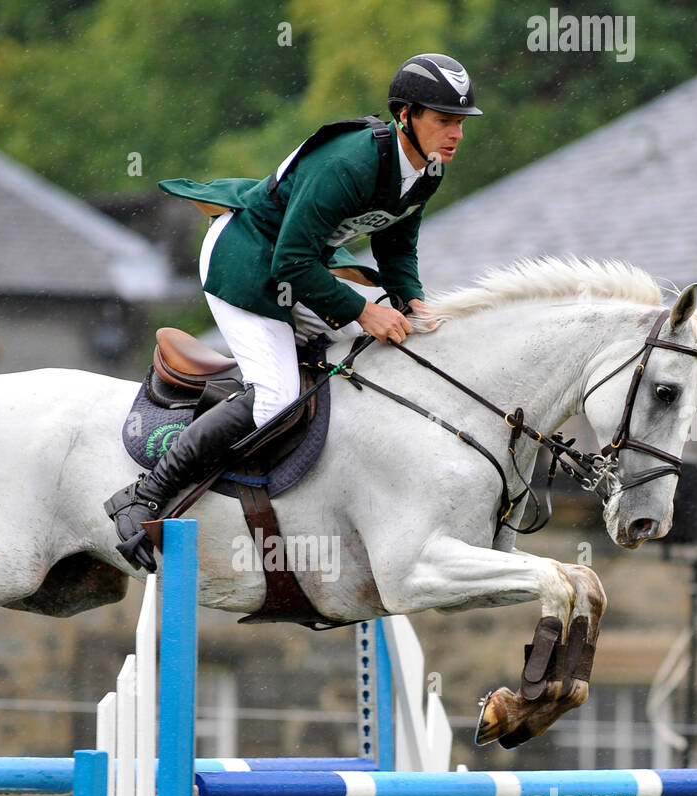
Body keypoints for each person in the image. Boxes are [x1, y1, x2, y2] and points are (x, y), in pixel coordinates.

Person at [105, 52, 482, 572]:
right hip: (246, 263)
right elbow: (290, 261)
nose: (455, 134)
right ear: (405, 116)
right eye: (443, 120)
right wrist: (366, 312)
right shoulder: (349, 163)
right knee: (277, 401)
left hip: (300, 266)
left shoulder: (427, 168)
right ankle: (146, 492)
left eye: (460, 122)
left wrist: (411, 299)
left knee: (381, 356)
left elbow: (396, 247)